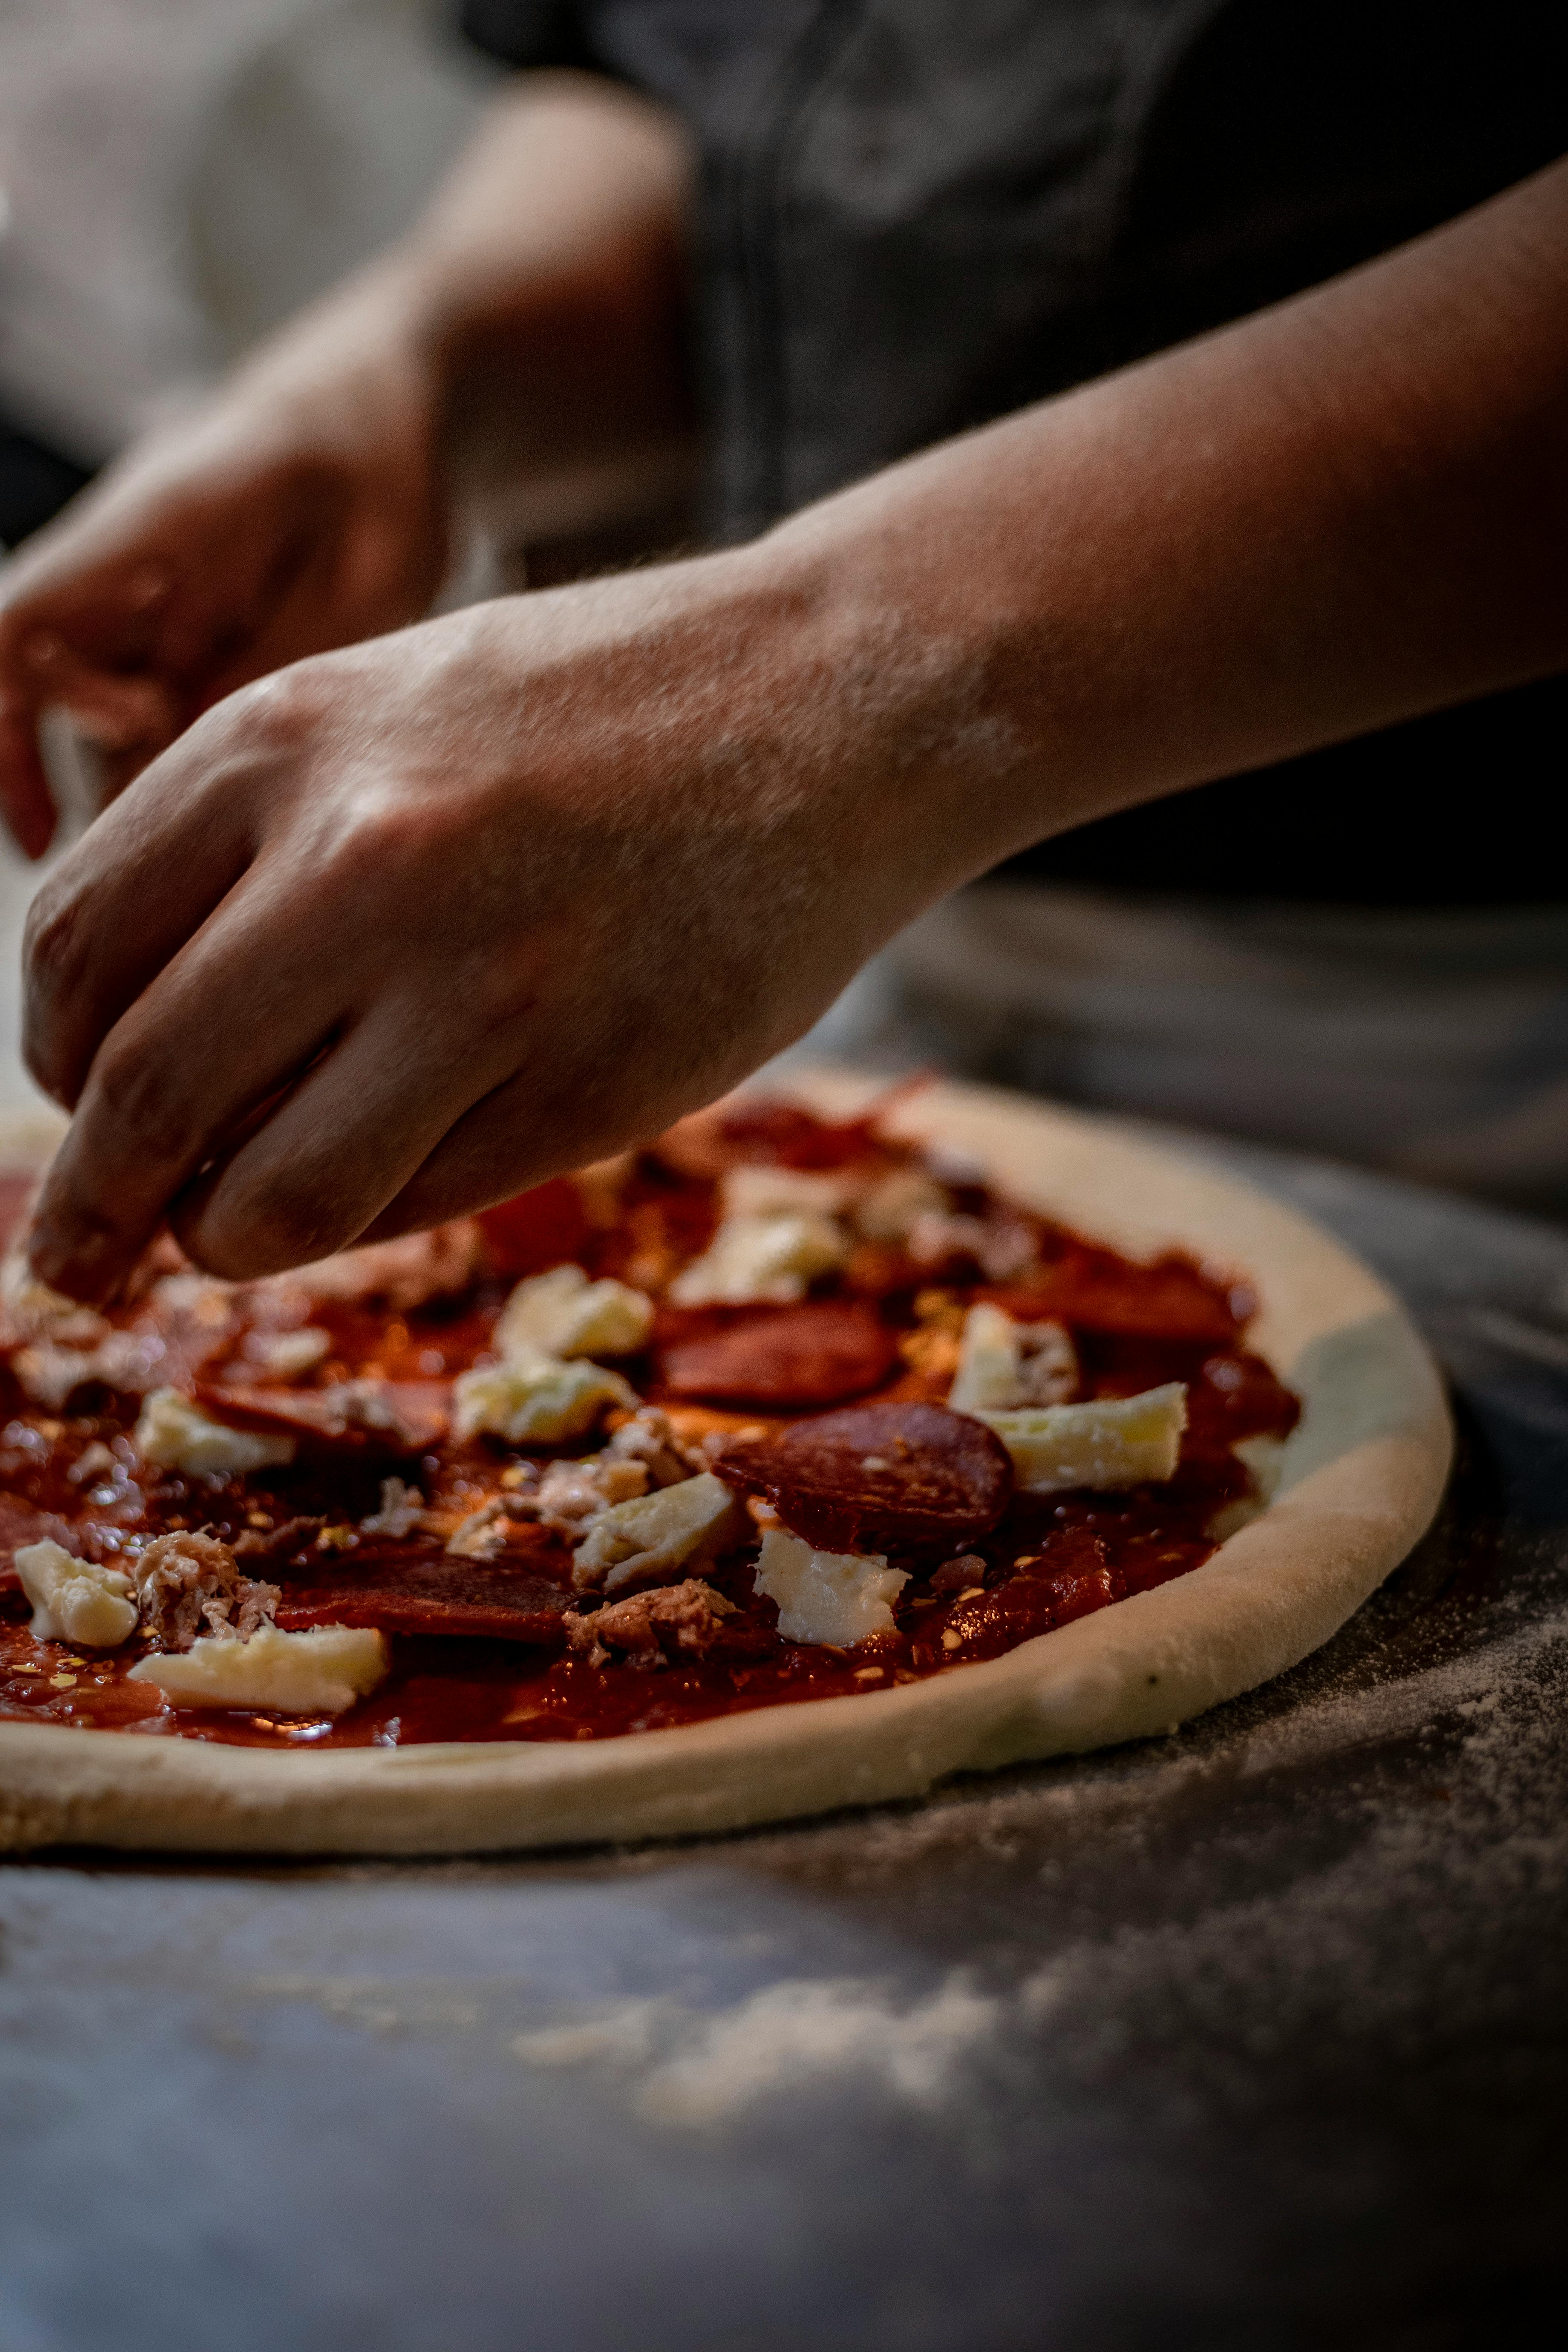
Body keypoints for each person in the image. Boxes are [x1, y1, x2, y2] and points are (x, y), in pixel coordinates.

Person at [0, 1, 1564, 1305]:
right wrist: (412, 361)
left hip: (1484, 1044)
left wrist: (839, 682)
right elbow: (719, 84)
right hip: (874, 975)